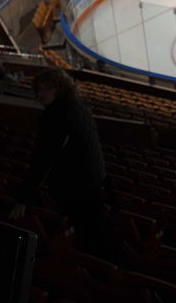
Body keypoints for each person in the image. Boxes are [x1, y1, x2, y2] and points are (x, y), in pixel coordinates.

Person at [11, 69, 111, 256]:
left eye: (48, 89)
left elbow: (43, 159)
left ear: (60, 89)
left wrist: (23, 198)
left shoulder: (56, 115)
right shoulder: (78, 107)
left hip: (78, 189)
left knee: (84, 239)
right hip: (93, 184)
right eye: (39, 89)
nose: (41, 94)